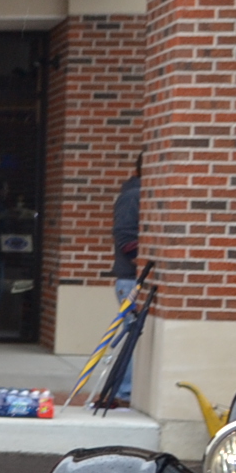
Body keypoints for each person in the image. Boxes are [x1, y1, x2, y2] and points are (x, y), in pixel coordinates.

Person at [111, 157, 142, 399]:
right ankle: (125, 391)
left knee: (135, 337)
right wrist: (141, 263)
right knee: (131, 335)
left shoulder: (141, 194)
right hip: (132, 279)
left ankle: (127, 390)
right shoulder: (133, 196)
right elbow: (125, 238)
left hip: (137, 278)